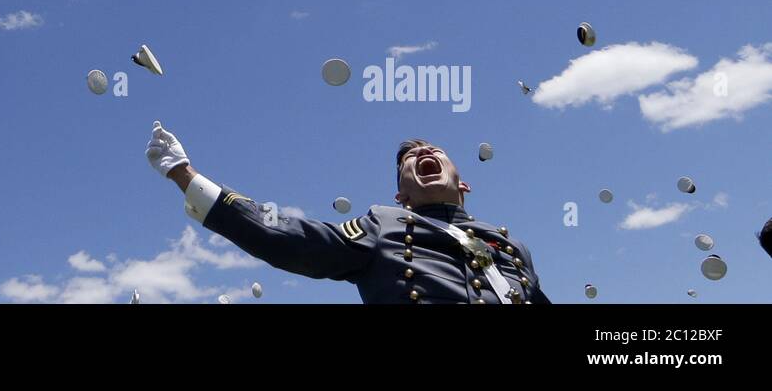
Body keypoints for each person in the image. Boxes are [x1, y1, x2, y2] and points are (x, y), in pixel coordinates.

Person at [146, 122, 551, 304]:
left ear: (464, 183)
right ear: (401, 195)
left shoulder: (512, 247)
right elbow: (290, 236)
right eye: (410, 159)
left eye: (434, 151)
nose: (424, 154)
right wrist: (188, 177)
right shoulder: (385, 225)